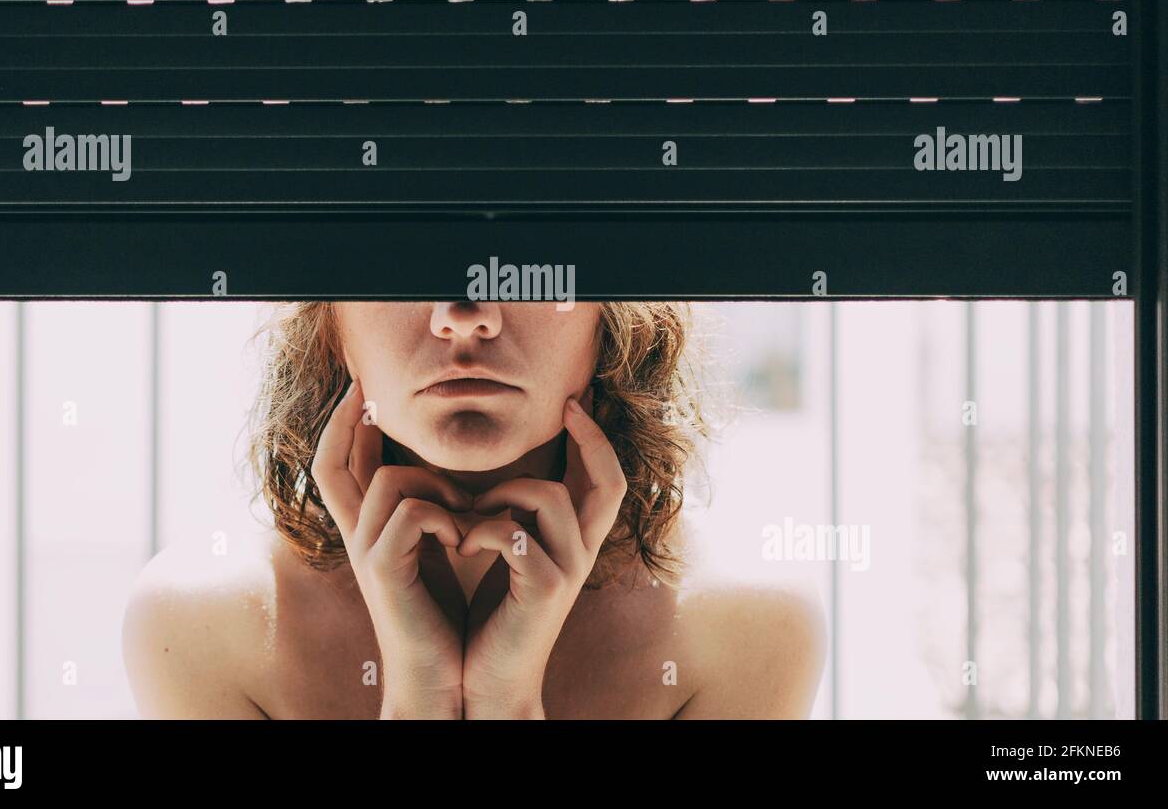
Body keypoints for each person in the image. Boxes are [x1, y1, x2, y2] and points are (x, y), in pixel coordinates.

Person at [123, 301, 825, 718]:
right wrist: (417, 699)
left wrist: (508, 703)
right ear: (329, 320)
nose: (465, 316)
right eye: (401, 247)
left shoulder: (743, 630)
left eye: (526, 256)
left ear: (616, 316)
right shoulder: (206, 627)